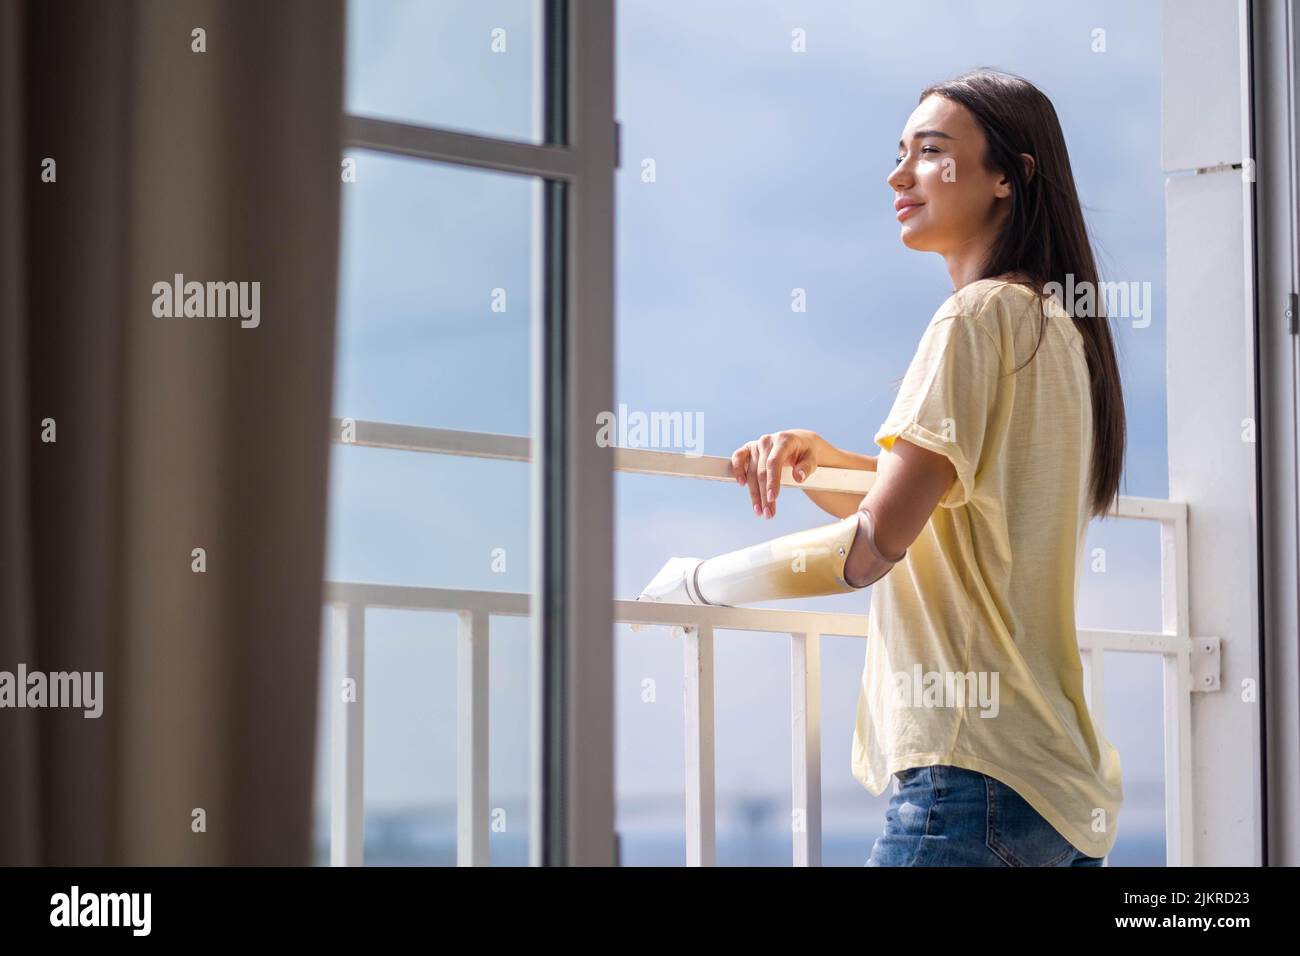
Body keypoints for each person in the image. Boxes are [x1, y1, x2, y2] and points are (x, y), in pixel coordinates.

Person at [727, 69, 1125, 866]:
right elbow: (938, 506)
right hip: (1057, 791)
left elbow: (874, 544)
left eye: (930, 152)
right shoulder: (1055, 326)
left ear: (1009, 175)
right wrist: (824, 463)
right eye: (899, 153)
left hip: (967, 780)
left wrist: (711, 583)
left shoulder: (974, 319)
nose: (897, 175)